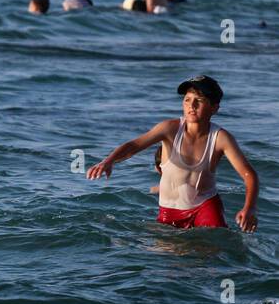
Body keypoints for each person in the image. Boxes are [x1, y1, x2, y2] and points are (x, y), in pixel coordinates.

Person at [86, 76, 258, 232]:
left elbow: (249, 175)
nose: (192, 105)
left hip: (205, 207)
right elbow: (134, 145)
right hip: (169, 210)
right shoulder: (170, 129)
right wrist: (109, 161)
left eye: (200, 100)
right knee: (166, 259)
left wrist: (249, 208)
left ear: (214, 108)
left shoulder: (221, 138)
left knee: (211, 256)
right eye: (187, 100)